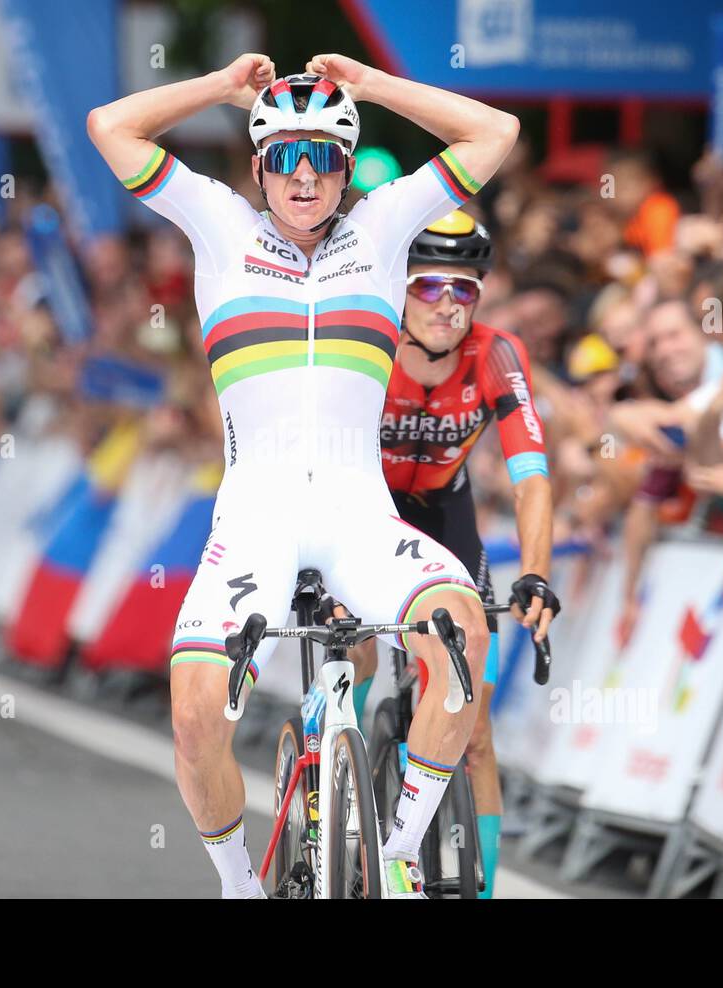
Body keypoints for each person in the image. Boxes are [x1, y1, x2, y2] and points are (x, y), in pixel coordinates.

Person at [86, 53, 520, 898]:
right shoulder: (221, 224)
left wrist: (377, 87)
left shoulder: (387, 225)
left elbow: (495, 131)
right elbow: (112, 126)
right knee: (193, 713)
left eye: (324, 156)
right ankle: (237, 884)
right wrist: (218, 88)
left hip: (364, 520)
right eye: (284, 155)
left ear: (349, 168)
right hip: (257, 524)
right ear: (257, 168)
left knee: (462, 636)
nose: (305, 175)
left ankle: (396, 851)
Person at [349, 209, 559, 898]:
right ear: (398, 288)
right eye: (430, 286)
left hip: (446, 519)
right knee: (358, 655)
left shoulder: (497, 354)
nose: (447, 304)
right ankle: (339, 798)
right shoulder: (365, 346)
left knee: (474, 729)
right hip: (364, 514)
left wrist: (536, 573)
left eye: (464, 289)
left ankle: (484, 889)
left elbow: (532, 477)